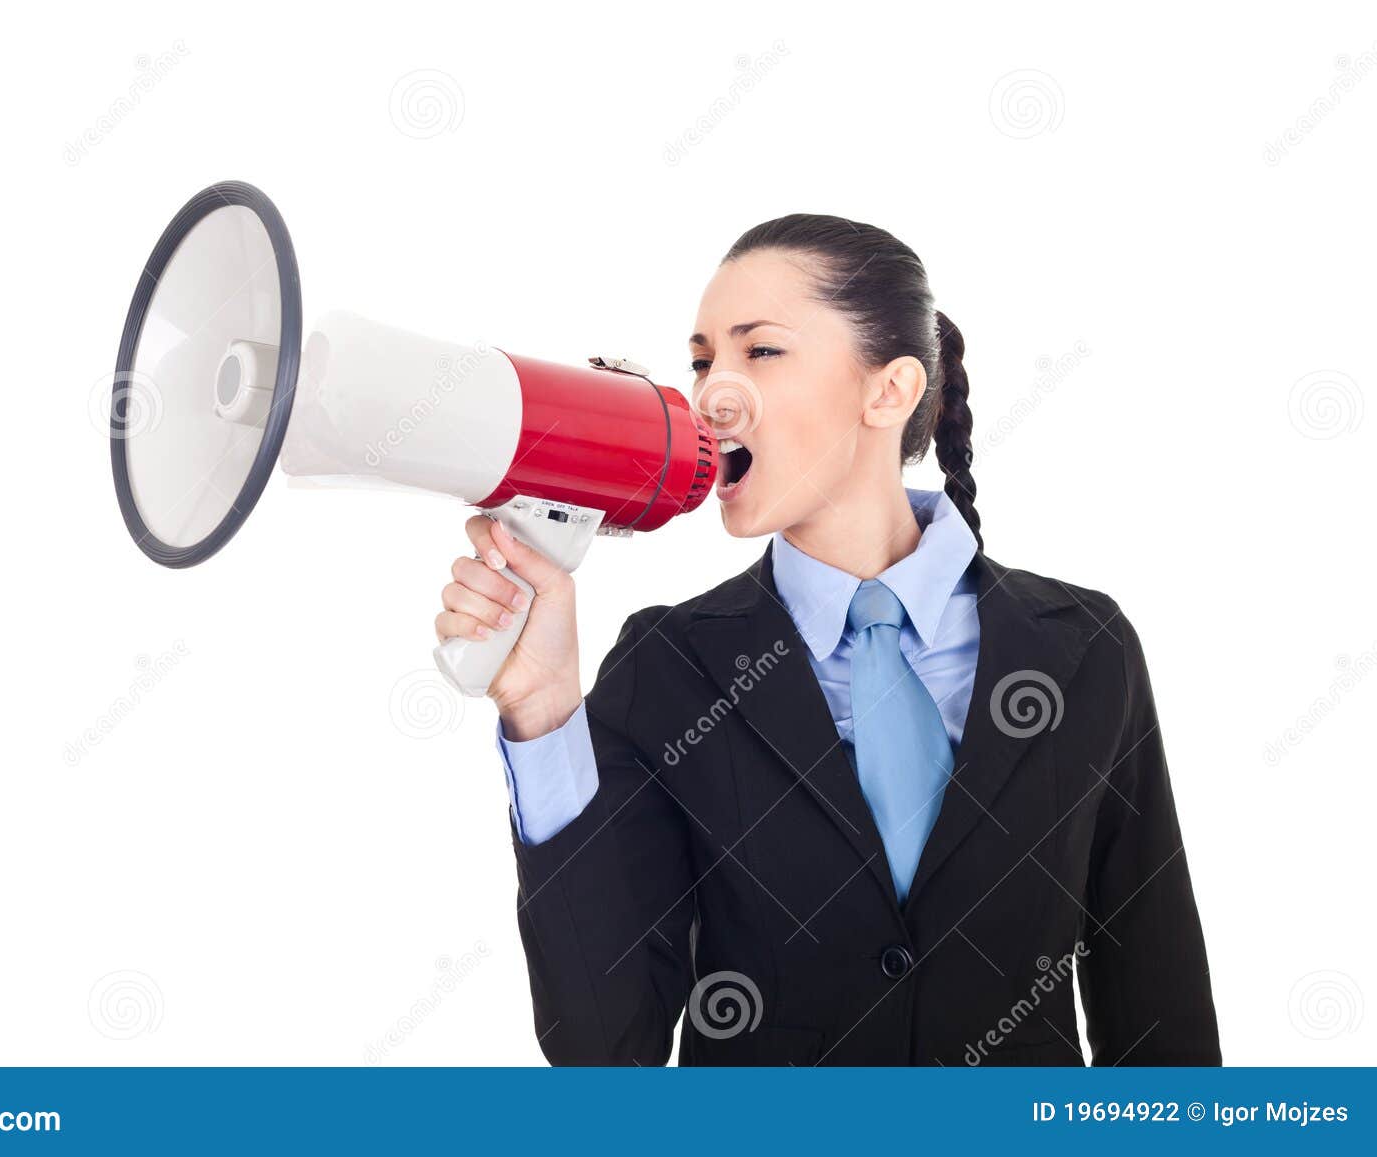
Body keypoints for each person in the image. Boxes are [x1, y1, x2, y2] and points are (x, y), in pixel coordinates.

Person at [434, 214, 1221, 1066]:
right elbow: (603, 1046)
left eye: (760, 350)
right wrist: (546, 711)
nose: (713, 395)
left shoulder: (1084, 648)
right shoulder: (667, 665)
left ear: (889, 391)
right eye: (702, 361)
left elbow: (1160, 1013)